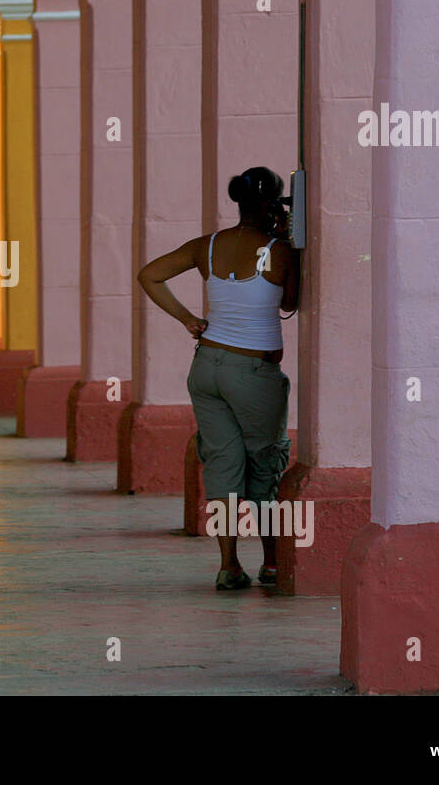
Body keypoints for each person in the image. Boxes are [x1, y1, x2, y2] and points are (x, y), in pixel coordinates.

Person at [137, 167, 299, 590]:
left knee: (224, 466)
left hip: (207, 366)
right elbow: (294, 299)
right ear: (273, 205)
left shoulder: (206, 247)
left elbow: (149, 275)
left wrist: (189, 320)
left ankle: (229, 565)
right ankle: (271, 563)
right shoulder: (278, 250)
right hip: (254, 373)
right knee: (265, 465)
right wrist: (288, 240)